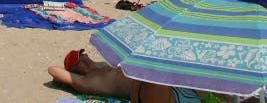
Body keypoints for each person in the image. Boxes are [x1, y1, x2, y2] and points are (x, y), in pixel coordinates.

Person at [49, 50, 233, 102]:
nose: (86, 58)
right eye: (80, 60)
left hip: (173, 83)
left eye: (84, 54)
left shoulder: (104, 66)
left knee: (229, 98)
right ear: (75, 70)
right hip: (150, 89)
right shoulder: (90, 81)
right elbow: (53, 70)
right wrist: (73, 73)